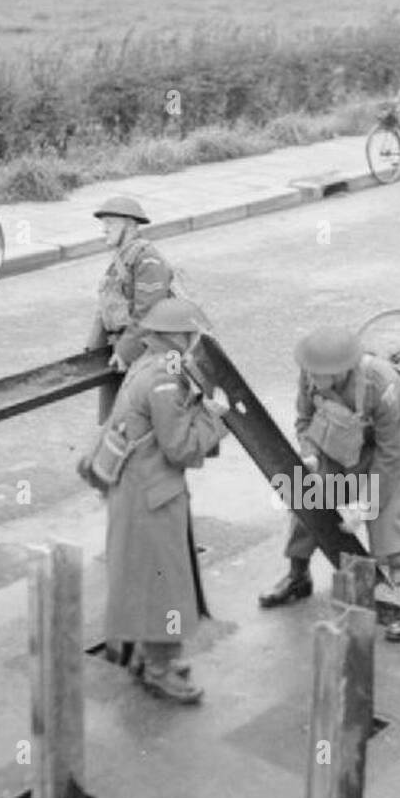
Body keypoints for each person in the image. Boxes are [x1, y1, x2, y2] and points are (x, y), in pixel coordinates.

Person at [258, 326, 400, 641]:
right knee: (307, 501)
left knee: (390, 523)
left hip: (388, 452)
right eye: (310, 373)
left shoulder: (382, 383)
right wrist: (308, 456)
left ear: (343, 370)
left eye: (321, 375)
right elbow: (304, 420)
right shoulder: (310, 374)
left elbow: (393, 452)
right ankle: (298, 576)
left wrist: (365, 506)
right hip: (338, 443)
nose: (313, 380)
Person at [99, 296, 228, 705]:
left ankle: (144, 655)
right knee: (164, 584)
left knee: (143, 577)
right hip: (153, 494)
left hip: (136, 488)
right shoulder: (165, 379)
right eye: (191, 335)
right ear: (179, 337)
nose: (195, 341)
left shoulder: (147, 365)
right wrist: (215, 418)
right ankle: (160, 668)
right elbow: (180, 448)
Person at [84, 195, 174, 424]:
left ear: (131, 226)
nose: (104, 230)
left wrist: (124, 352)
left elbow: (148, 312)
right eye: (104, 224)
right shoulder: (120, 260)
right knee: (115, 425)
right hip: (119, 351)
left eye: (110, 223)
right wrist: (93, 349)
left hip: (143, 354)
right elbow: (105, 307)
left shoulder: (147, 259)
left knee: (141, 424)